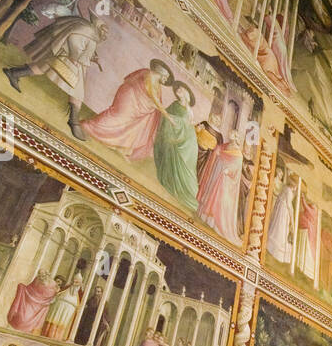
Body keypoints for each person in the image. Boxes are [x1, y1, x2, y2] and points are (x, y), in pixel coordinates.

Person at [3, 17, 110, 141]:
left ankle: (14, 73)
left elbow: (83, 47)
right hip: (70, 61)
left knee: (44, 69)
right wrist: (75, 57)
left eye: (106, 31)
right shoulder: (88, 32)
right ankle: (73, 122)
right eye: (104, 30)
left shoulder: (91, 35)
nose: (105, 34)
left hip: (73, 63)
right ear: (98, 28)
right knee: (74, 91)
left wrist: (91, 58)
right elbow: (74, 41)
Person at [82, 60, 172, 162]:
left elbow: (156, 101)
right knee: (118, 117)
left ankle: (122, 148)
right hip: (129, 97)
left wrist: (159, 111)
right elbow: (153, 96)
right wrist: (168, 116)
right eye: (166, 76)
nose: (166, 79)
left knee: (143, 122)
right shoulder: (149, 74)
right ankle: (93, 127)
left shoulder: (158, 86)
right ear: (162, 73)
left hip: (139, 105)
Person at [152, 80, 202, 211]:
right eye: (177, 89)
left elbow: (188, 124)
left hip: (188, 143)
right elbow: (166, 116)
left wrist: (193, 127)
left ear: (187, 93)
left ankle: (191, 194)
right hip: (175, 138)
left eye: (181, 89)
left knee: (188, 168)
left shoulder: (189, 110)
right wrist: (175, 122)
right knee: (174, 160)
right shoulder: (174, 105)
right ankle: (174, 184)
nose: (178, 90)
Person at [196, 130, 245, 244]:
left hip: (225, 179)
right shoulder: (225, 146)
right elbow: (217, 151)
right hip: (216, 171)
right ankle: (205, 216)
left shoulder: (238, 154)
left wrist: (228, 170)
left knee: (218, 198)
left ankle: (214, 221)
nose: (232, 135)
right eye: (231, 133)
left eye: (235, 134)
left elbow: (236, 168)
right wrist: (217, 153)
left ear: (237, 138)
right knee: (210, 192)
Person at [265, 167, 297, 263]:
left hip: (281, 210)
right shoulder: (288, 191)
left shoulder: (286, 189)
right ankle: (275, 247)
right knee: (280, 229)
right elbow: (289, 205)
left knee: (279, 228)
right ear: (294, 185)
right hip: (283, 212)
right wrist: (292, 219)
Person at [40, 274, 83, 339]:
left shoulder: (80, 292)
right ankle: (47, 334)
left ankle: (57, 338)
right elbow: (57, 294)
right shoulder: (67, 287)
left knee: (62, 324)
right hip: (59, 305)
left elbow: (80, 303)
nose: (74, 283)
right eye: (74, 281)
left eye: (77, 282)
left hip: (69, 310)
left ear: (80, 283)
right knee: (54, 319)